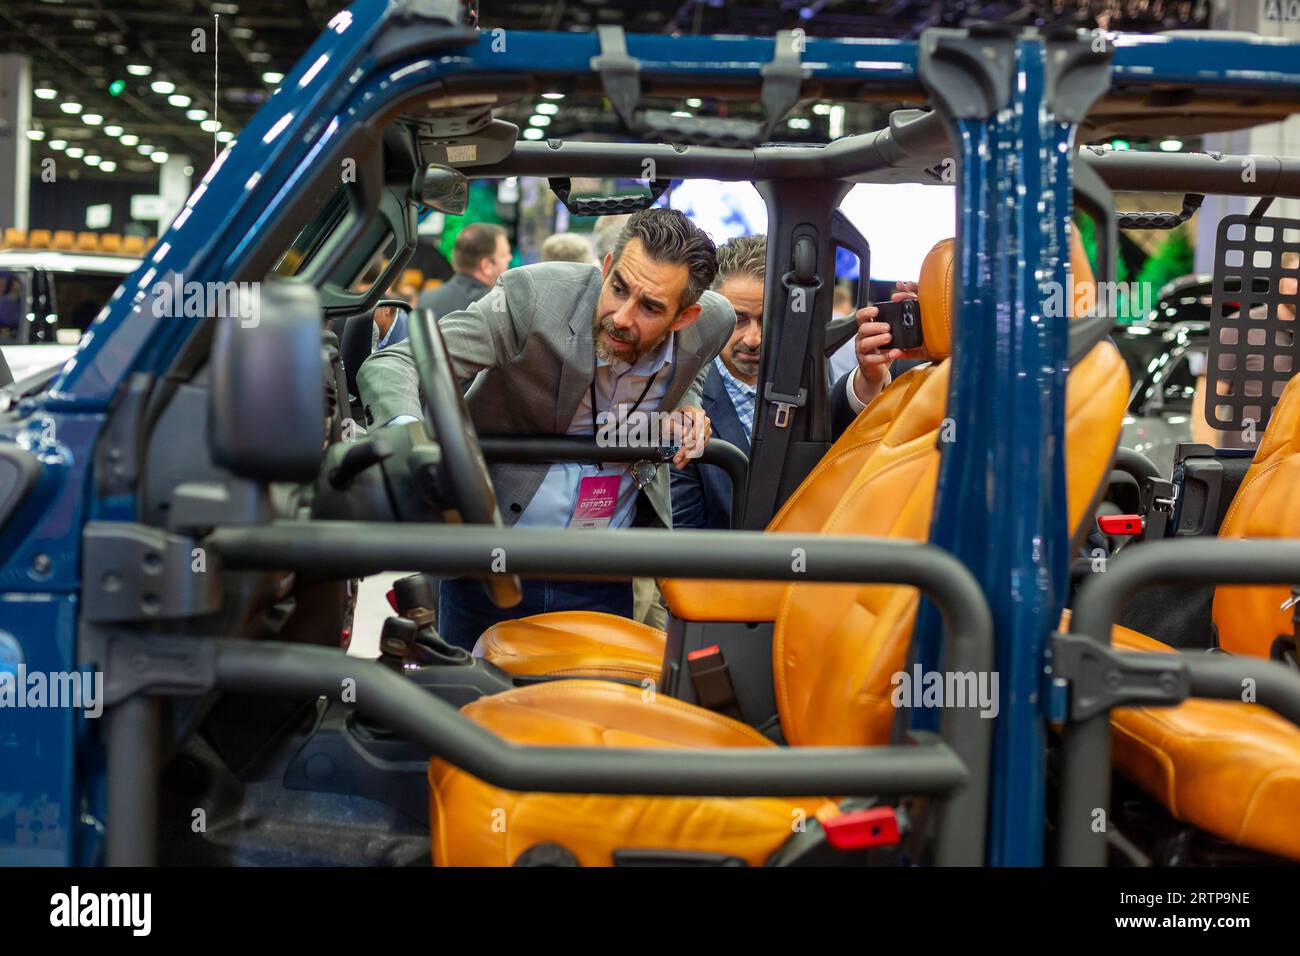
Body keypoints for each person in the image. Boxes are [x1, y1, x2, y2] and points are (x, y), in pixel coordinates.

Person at [357, 207, 734, 650]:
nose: (622, 317)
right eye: (618, 289)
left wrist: (684, 403)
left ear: (684, 317)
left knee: (585, 709)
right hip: (494, 562)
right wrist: (409, 440)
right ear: (607, 267)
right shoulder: (534, 298)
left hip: (604, 571)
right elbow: (397, 361)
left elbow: (696, 363)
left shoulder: (713, 321)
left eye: (650, 307)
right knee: (470, 705)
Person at [671, 234, 765, 529]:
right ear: (711, 315)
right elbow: (684, 540)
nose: (753, 339)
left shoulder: (810, 378)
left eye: (766, 319)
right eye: (738, 319)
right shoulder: (680, 399)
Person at [416, 223, 511, 317]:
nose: (510, 258)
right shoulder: (499, 304)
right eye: (504, 255)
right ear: (486, 266)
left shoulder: (426, 299)